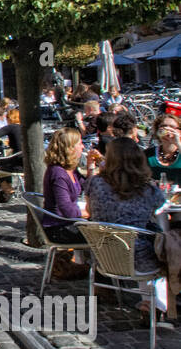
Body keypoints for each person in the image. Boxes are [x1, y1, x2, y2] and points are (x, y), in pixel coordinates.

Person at [84, 138, 169, 317]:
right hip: (139, 259)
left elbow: (89, 211)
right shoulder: (149, 190)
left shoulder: (95, 183)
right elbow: (161, 211)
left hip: (104, 255)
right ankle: (156, 305)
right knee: (163, 245)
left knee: (143, 241)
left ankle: (150, 303)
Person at [41, 128, 93, 279]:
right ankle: (101, 278)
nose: (83, 147)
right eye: (80, 144)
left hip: (67, 223)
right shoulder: (58, 174)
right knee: (102, 236)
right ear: (69, 148)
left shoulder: (70, 169)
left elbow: (87, 186)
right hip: (58, 228)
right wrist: (90, 212)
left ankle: (91, 271)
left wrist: (90, 165)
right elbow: (67, 211)